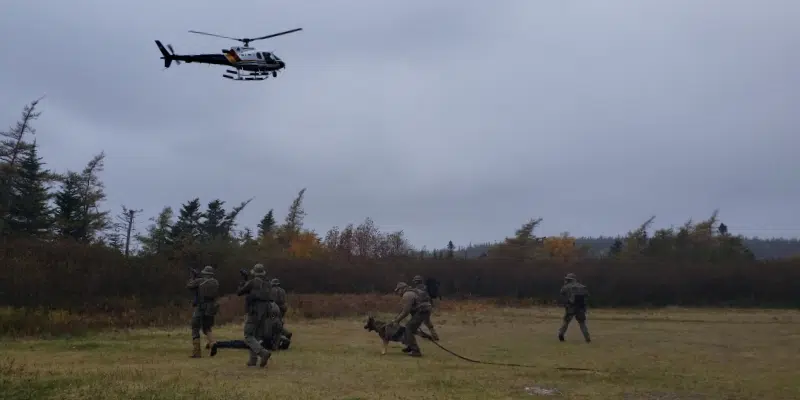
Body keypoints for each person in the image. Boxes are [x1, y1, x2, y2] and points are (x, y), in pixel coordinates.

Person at [237, 263, 273, 367]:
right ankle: (253, 360)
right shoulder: (268, 283)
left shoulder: (252, 282)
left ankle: (263, 353)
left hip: (254, 311)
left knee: (248, 335)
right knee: (256, 336)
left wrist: (243, 280)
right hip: (265, 311)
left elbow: (240, 292)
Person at [391, 281, 433, 357]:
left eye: (398, 290)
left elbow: (406, 311)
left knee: (408, 328)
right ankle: (410, 346)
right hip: (425, 310)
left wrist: (397, 321)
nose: (398, 293)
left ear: (402, 289)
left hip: (422, 311)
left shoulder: (407, 295)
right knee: (410, 327)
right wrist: (397, 318)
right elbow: (405, 309)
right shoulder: (412, 292)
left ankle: (415, 351)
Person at [186, 266, 220, 358]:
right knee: (207, 327)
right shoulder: (215, 282)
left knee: (195, 327)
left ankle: (196, 352)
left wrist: (193, 277)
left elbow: (189, 286)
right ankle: (213, 342)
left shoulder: (200, 281)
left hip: (201, 306)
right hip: (211, 307)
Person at [558, 273, 591, 343]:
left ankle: (561, 335)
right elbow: (587, 295)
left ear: (568, 279)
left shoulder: (566, 286)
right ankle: (587, 338)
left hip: (571, 307)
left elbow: (562, 292)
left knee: (566, 322)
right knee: (582, 323)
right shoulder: (582, 286)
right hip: (580, 308)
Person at [209, 332, 291, 357]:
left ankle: (217, 344)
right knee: (234, 343)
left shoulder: (273, 341)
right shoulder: (275, 342)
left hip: (255, 343)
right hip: (256, 342)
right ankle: (217, 344)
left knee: (234, 343)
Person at [411, 275, 440, 341]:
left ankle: (425, 336)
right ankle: (435, 336)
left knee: (414, 323)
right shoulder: (426, 287)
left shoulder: (415, 290)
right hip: (428, 307)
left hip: (421, 308)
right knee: (427, 321)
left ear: (416, 282)